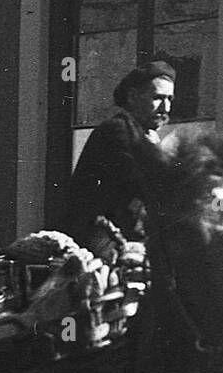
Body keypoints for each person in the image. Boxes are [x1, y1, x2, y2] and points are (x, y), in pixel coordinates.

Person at [62, 60, 176, 248]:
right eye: (157, 98)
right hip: (97, 239)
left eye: (169, 99)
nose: (166, 108)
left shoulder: (145, 135)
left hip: (123, 235)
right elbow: (152, 184)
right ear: (132, 97)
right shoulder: (118, 130)